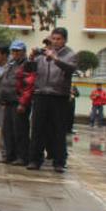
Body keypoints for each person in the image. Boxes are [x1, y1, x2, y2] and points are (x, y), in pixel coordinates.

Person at [26, 28, 77, 172]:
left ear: (65, 40)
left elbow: (71, 68)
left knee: (58, 130)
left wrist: (55, 58)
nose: (55, 42)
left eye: (58, 39)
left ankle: (59, 161)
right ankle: (35, 160)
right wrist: (31, 58)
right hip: (41, 94)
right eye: (53, 39)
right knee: (37, 128)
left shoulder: (69, 54)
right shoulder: (42, 54)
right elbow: (29, 70)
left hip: (59, 96)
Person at [0, 41, 35, 165]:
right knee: (7, 130)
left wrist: (23, 103)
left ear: (23, 51)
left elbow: (28, 86)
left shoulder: (27, 65)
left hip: (19, 102)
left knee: (20, 130)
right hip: (8, 101)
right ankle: (10, 155)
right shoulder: (11, 64)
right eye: (13, 51)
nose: (15, 53)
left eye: (17, 51)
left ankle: (22, 156)